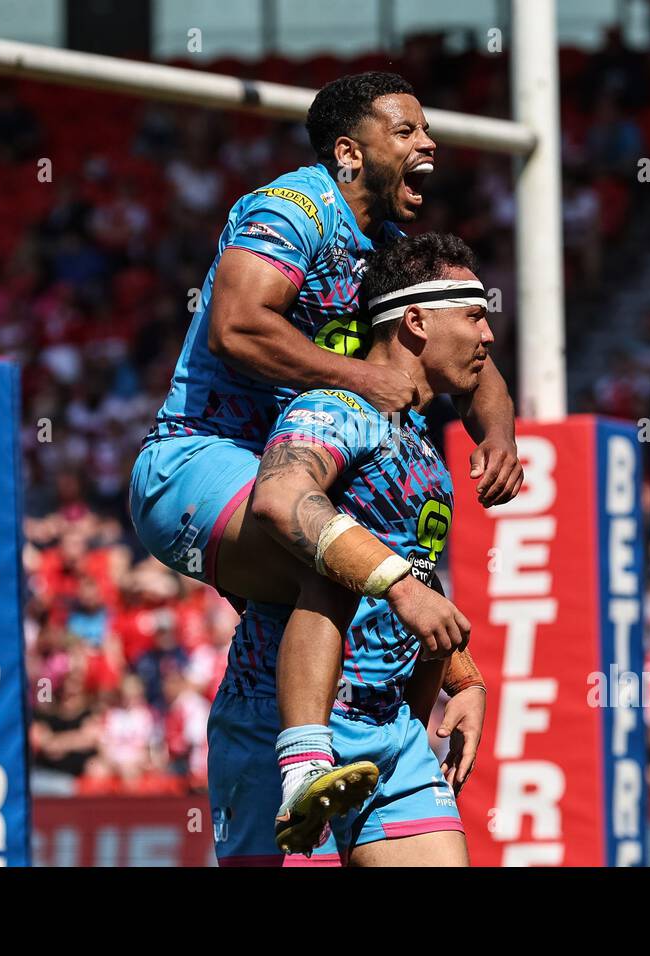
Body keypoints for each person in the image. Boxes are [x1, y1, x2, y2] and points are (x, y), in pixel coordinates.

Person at [130, 73, 521, 852]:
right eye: (405, 130)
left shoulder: (388, 255)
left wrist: (500, 434)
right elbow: (237, 328)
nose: (428, 143)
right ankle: (305, 761)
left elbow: (467, 346)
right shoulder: (292, 208)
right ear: (350, 152)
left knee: (353, 549)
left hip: (301, 471)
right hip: (200, 461)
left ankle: (359, 754)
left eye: (426, 129)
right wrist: (362, 376)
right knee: (331, 551)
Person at [208, 233, 490, 865]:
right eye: (474, 315)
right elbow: (280, 495)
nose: (487, 336)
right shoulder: (337, 408)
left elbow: (413, 574)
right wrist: (402, 588)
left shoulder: (422, 444)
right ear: (415, 321)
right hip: (278, 720)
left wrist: (461, 674)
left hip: (389, 728)